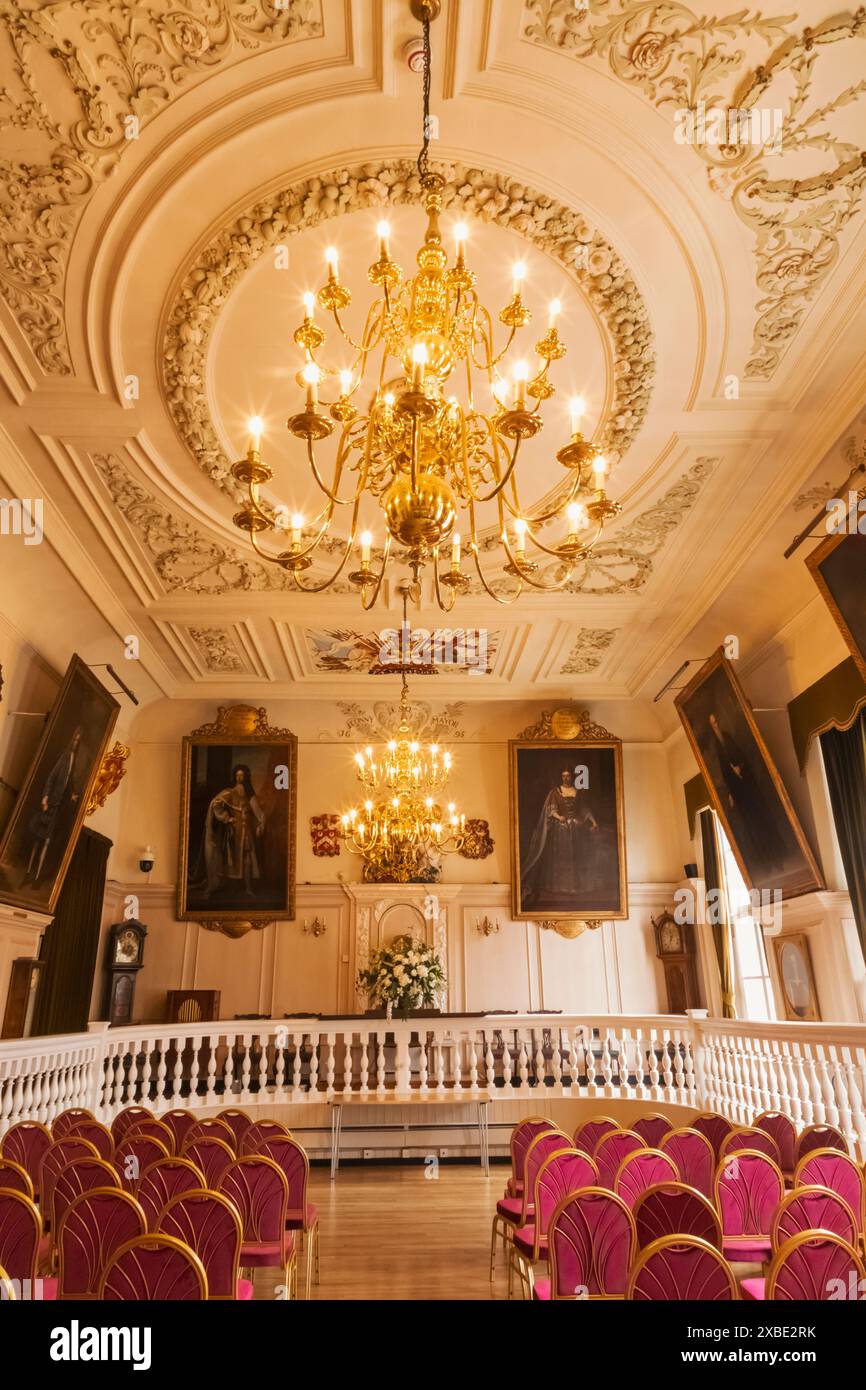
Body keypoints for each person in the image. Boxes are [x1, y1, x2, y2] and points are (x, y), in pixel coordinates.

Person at [521, 766, 599, 910]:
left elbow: (584, 809)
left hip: (577, 830)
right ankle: (561, 886)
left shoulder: (578, 792)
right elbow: (551, 810)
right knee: (562, 857)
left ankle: (576, 887)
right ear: (561, 777)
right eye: (563, 776)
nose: (566, 778)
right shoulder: (555, 792)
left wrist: (594, 822)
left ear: (572, 777)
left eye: (568, 776)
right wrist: (559, 817)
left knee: (576, 857)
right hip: (560, 830)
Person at [23, 726, 84, 886]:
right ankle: (28, 873)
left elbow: (69, 781)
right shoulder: (64, 757)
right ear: (71, 739)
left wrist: (72, 794)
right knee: (38, 839)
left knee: (47, 842)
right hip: (49, 804)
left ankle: (36, 877)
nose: (75, 743)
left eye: (78, 741)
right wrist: (45, 797)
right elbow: (51, 778)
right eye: (74, 740)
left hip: (59, 806)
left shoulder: (74, 759)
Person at [196, 764, 266, 900]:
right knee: (232, 860)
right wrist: (227, 818)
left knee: (247, 860)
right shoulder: (230, 792)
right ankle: (233, 889)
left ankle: (248, 888)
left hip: (247, 832)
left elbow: (259, 813)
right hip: (234, 831)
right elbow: (215, 804)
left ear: (246, 777)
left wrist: (261, 824)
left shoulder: (249, 794)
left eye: (242, 775)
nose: (239, 777)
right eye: (237, 775)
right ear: (235, 777)